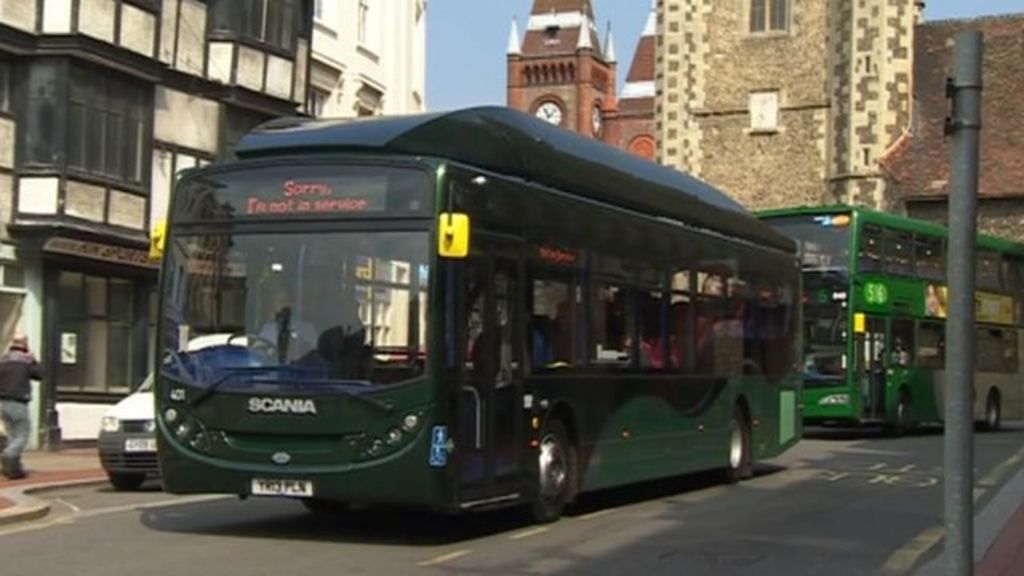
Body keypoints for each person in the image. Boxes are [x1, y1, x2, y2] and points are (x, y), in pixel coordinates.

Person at [0, 334, 42, 480]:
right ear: (24, 344)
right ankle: (9, 455)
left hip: (3, 402)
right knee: (23, 433)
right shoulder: (26, 361)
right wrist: (34, 359)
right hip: (18, 401)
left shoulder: (3, 359)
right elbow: (39, 375)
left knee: (12, 435)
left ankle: (14, 470)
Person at [258, 288, 317, 362]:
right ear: (274, 305)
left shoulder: (307, 328)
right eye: (280, 301)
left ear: (293, 304)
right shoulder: (267, 329)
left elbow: (315, 356)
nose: (284, 305)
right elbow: (259, 356)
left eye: (286, 301)